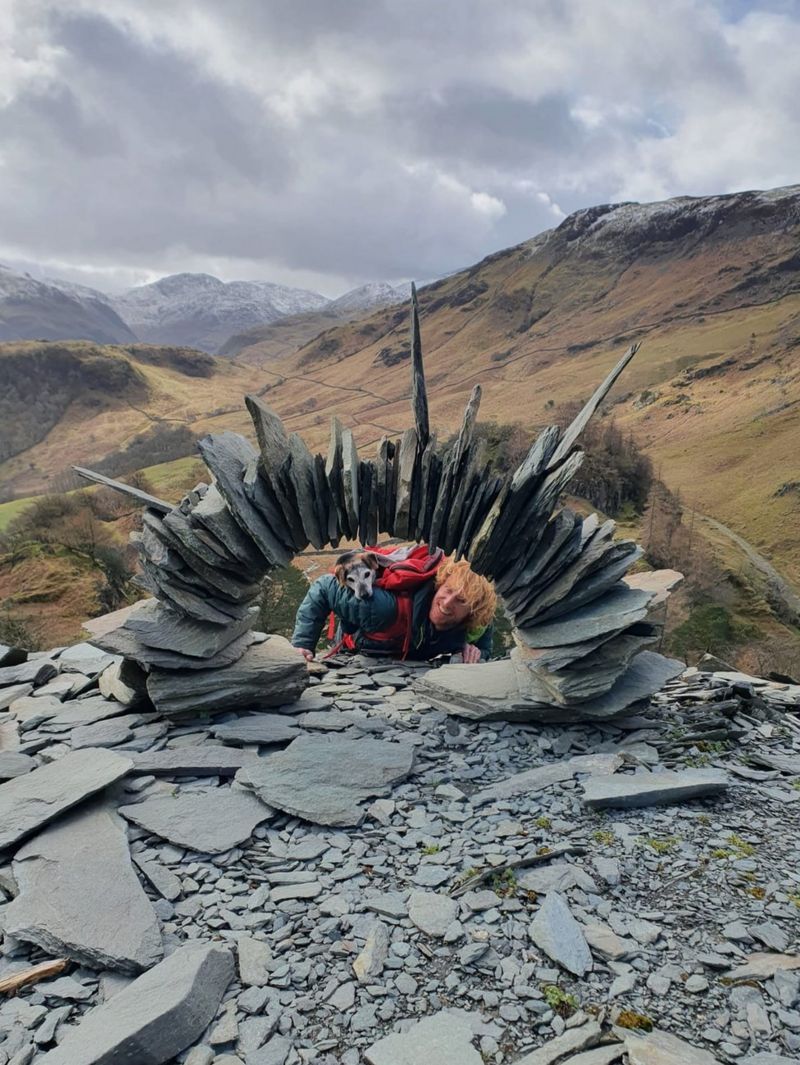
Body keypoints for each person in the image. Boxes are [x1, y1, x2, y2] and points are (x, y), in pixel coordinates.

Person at [291, 553, 496, 663]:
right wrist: (302, 645)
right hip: (355, 644)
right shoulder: (381, 608)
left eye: (461, 601)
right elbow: (325, 586)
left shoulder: (475, 626)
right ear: (439, 584)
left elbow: (485, 636)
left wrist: (477, 651)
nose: (447, 602)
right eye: (447, 590)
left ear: (473, 611)